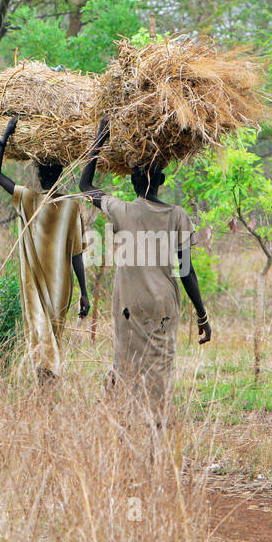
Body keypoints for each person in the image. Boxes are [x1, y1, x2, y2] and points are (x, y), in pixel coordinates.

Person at [79, 116, 210, 420]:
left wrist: (101, 135)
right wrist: (202, 314)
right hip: (162, 305)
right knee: (160, 369)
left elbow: (85, 185)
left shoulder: (121, 210)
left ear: (133, 182)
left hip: (129, 305)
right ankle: (157, 432)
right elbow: (186, 271)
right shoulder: (177, 215)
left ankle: (122, 427)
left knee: (125, 364)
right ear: (161, 182)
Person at [0, 116, 89, 383]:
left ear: (39, 175)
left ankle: (45, 391)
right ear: (61, 173)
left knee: (41, 337)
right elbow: (77, 254)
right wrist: (84, 293)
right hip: (62, 286)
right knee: (51, 338)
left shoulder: (29, 199)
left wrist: (5, 136)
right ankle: (47, 393)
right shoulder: (71, 206)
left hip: (34, 283)